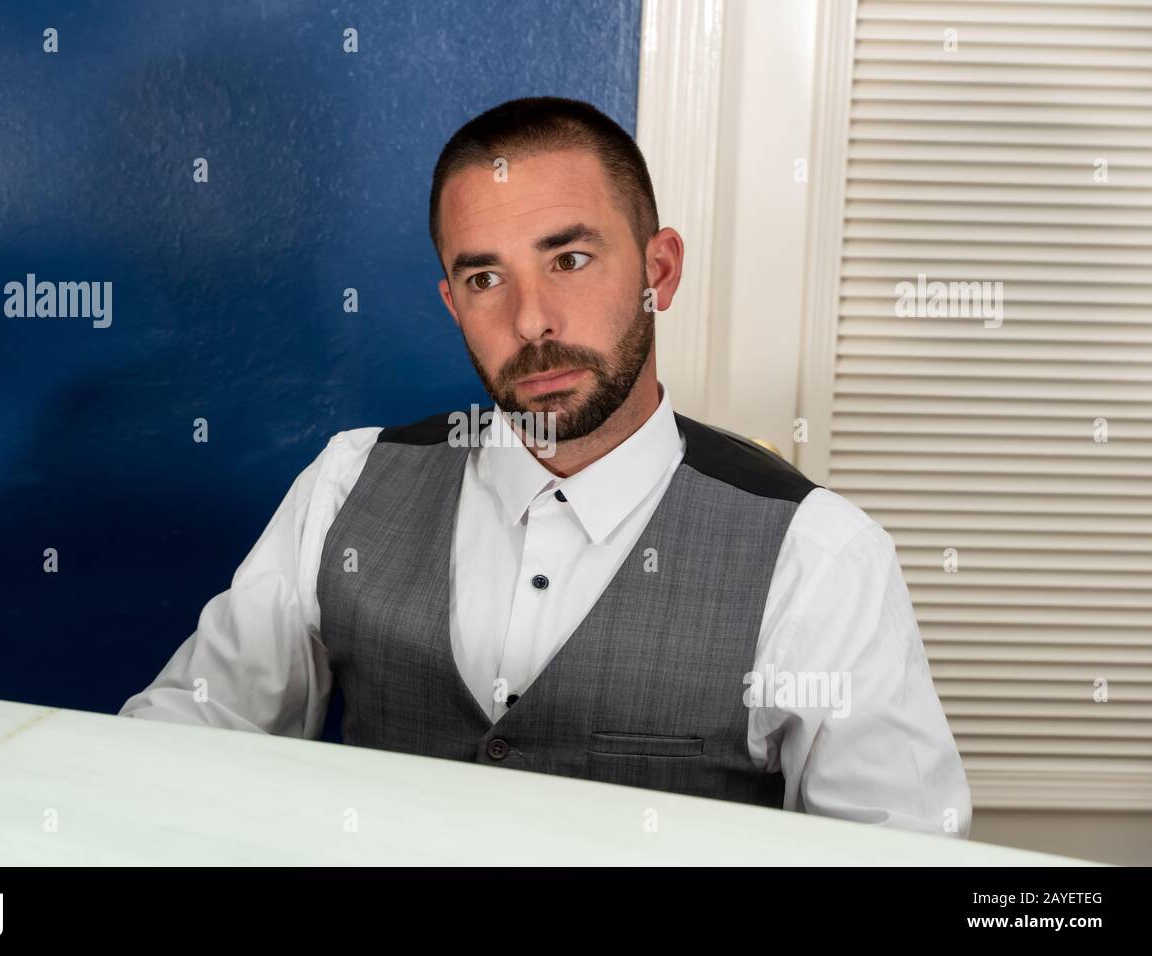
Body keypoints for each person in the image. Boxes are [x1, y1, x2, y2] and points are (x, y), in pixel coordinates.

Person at [121, 96, 971, 837]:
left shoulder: (817, 557)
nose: (532, 321)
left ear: (658, 270)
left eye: (569, 259)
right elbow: (185, 735)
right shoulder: (348, 482)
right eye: (487, 276)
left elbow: (897, 849)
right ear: (453, 302)